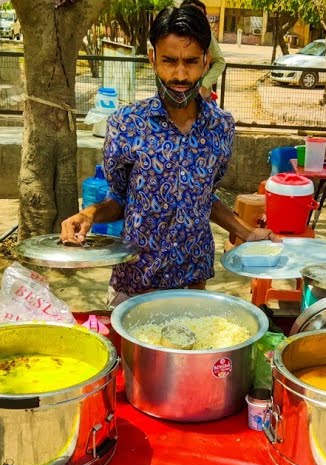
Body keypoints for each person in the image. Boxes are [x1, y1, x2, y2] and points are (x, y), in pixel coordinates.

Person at [60, 6, 276, 307]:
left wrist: (247, 233)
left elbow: (203, 197)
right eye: (169, 61)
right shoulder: (126, 124)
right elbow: (121, 199)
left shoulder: (220, 127)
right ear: (153, 60)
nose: (180, 74)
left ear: (206, 61)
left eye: (190, 62)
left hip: (193, 279)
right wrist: (89, 215)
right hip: (137, 281)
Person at [180, 0, 226, 100]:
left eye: (200, 15)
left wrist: (204, 84)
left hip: (201, 97)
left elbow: (219, 62)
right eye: (191, 12)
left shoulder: (206, 34)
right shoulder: (170, 32)